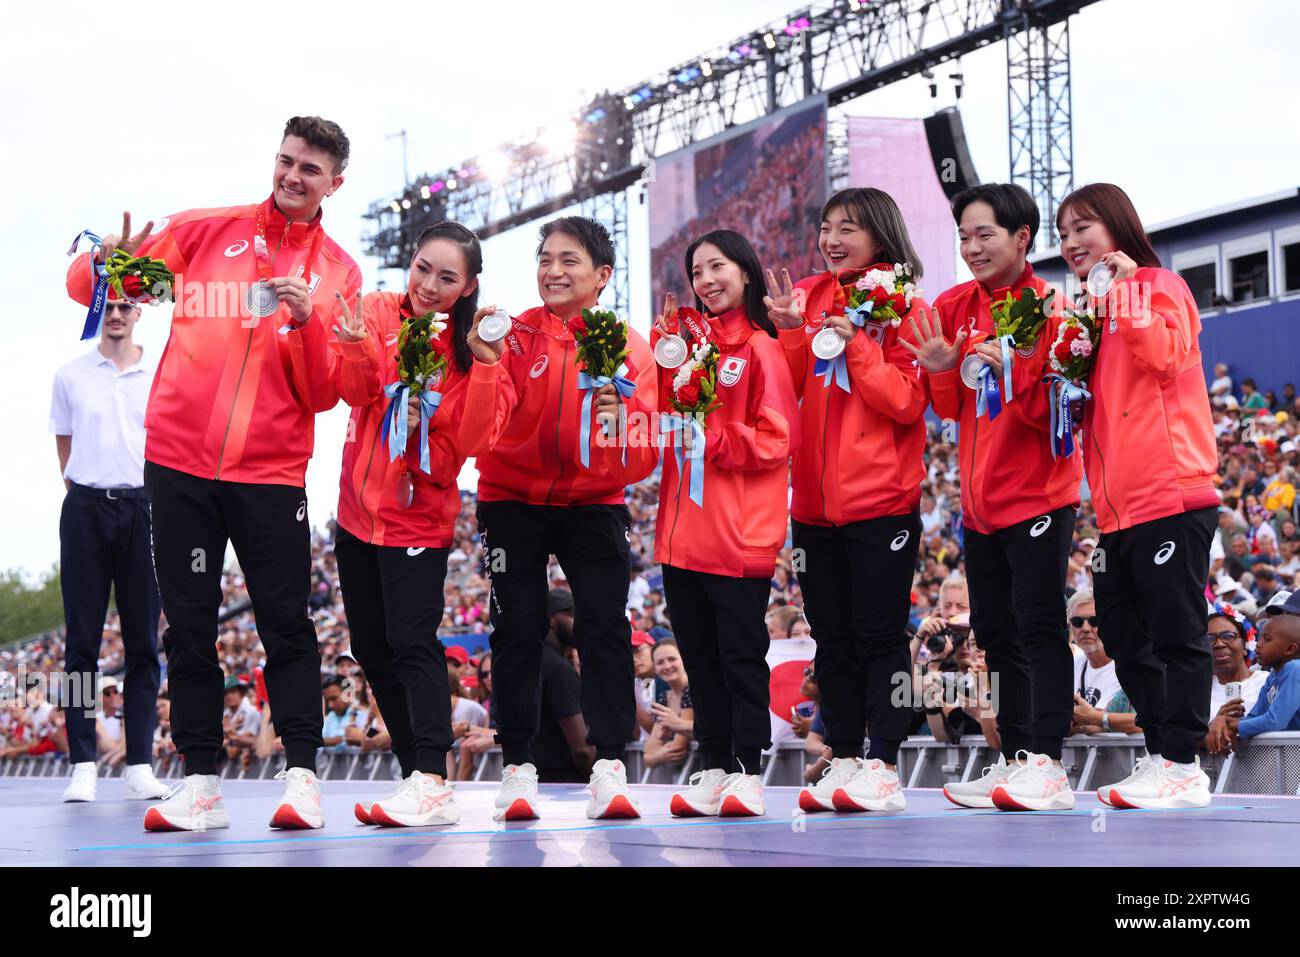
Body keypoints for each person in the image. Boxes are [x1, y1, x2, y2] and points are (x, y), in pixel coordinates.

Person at [66, 116, 363, 832]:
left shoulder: (339, 272)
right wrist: (108, 260)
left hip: (270, 474)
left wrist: (306, 324)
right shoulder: (206, 230)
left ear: (336, 184)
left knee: (286, 626)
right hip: (178, 467)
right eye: (287, 160)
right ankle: (200, 782)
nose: (293, 176)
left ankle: (301, 778)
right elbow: (89, 289)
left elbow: (326, 391)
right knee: (189, 630)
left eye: (311, 169)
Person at [474, 216, 659, 821]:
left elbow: (643, 453)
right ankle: (518, 767)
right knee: (517, 629)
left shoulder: (630, 349)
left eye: (569, 260)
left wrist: (614, 419)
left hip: (593, 502)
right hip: (511, 500)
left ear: (602, 275)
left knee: (604, 627)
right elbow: (485, 428)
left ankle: (609, 765)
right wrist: (483, 364)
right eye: (546, 259)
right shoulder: (513, 335)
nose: (553, 271)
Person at [329, 222, 512, 828]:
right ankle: (416, 776)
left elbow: (475, 440)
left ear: (469, 286)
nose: (430, 285)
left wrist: (483, 371)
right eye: (422, 268)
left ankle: (432, 775)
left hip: (415, 516)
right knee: (370, 647)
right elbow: (353, 391)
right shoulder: (378, 311)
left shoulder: (478, 350)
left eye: (447, 277)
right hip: (356, 514)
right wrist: (356, 347)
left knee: (411, 642)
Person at [908, 183, 1082, 811]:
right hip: (979, 508)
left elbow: (1056, 417)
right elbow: (951, 408)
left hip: (1037, 496)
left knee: (1038, 626)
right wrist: (939, 367)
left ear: (1022, 239)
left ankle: (1050, 765)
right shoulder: (954, 305)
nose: (972, 247)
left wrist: (1018, 368)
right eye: (963, 236)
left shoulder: (1051, 308)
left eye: (985, 234)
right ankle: (1013, 757)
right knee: (995, 631)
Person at [763, 187, 929, 814]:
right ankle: (848, 755)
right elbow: (790, 387)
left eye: (848, 228)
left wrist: (857, 343)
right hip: (812, 504)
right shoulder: (806, 294)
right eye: (826, 225)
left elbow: (909, 402)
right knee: (830, 638)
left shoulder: (904, 304)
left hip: (882, 500)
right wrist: (785, 335)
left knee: (879, 635)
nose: (831, 238)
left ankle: (884, 764)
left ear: (881, 236)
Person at [1056, 183, 1221, 810]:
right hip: (1118, 506)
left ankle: (1184, 762)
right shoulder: (1093, 313)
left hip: (1171, 491)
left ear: (1118, 228)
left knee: (1177, 632)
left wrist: (1124, 289)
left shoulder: (1157, 285)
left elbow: (1162, 355)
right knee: (1124, 634)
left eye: (1084, 229)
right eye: (1065, 234)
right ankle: (1162, 755)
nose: (1072, 244)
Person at [651, 229, 799, 818]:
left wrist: (708, 437)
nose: (706, 281)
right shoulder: (689, 349)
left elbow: (777, 439)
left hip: (739, 534)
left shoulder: (761, 347)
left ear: (745, 270)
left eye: (717, 267)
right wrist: (665, 357)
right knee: (701, 657)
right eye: (696, 272)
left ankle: (745, 769)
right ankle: (713, 765)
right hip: (681, 533)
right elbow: (660, 419)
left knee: (739, 657)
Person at [50, 290, 167, 803]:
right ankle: (82, 763)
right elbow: (65, 443)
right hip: (86, 509)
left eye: (126, 306)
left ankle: (140, 761)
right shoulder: (71, 375)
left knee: (143, 641)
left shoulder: (160, 372)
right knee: (82, 643)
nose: (116, 314)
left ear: (139, 312)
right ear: (98, 311)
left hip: (144, 509)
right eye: (109, 306)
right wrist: (87, 491)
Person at [1226, 612, 1300, 745]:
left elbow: (1276, 721)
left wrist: (1233, 726)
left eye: (1267, 639)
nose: (1258, 644)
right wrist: (1227, 725)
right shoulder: (1273, 675)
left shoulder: (1295, 669)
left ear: (1290, 649)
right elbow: (1255, 716)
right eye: (1259, 638)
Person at [1204, 603, 1268, 754]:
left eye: (1228, 636)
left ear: (1246, 644)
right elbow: (1178, 733)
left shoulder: (1266, 683)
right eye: (1210, 638)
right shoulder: (1196, 690)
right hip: (1212, 777)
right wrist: (1208, 732)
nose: (1219, 644)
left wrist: (1230, 724)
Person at [643, 638, 694, 769]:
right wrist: (656, 756)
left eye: (672, 659)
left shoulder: (692, 690)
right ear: (654, 668)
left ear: (683, 659)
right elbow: (647, 756)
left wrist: (657, 754)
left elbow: (677, 748)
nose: (667, 666)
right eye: (660, 662)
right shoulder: (663, 698)